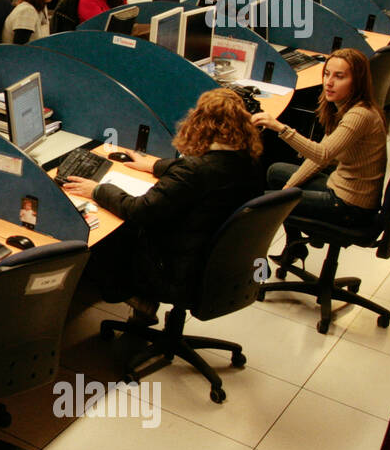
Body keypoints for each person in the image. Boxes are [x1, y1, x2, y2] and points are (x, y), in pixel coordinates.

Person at [62, 88, 264, 318]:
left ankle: (134, 296)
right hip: (215, 261)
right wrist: (154, 166)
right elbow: (208, 169)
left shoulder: (195, 171)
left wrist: (98, 190)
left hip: (175, 270)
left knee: (109, 234)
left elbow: (139, 209)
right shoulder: (249, 162)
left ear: (200, 125)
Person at [253, 49, 387, 233]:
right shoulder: (343, 108)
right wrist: (288, 187)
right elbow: (320, 159)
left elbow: (321, 154)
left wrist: (279, 128)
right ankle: (295, 247)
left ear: (357, 82)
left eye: (339, 77)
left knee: (261, 205)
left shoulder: (359, 115)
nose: (329, 82)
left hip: (352, 205)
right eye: (326, 74)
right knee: (276, 173)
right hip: (339, 185)